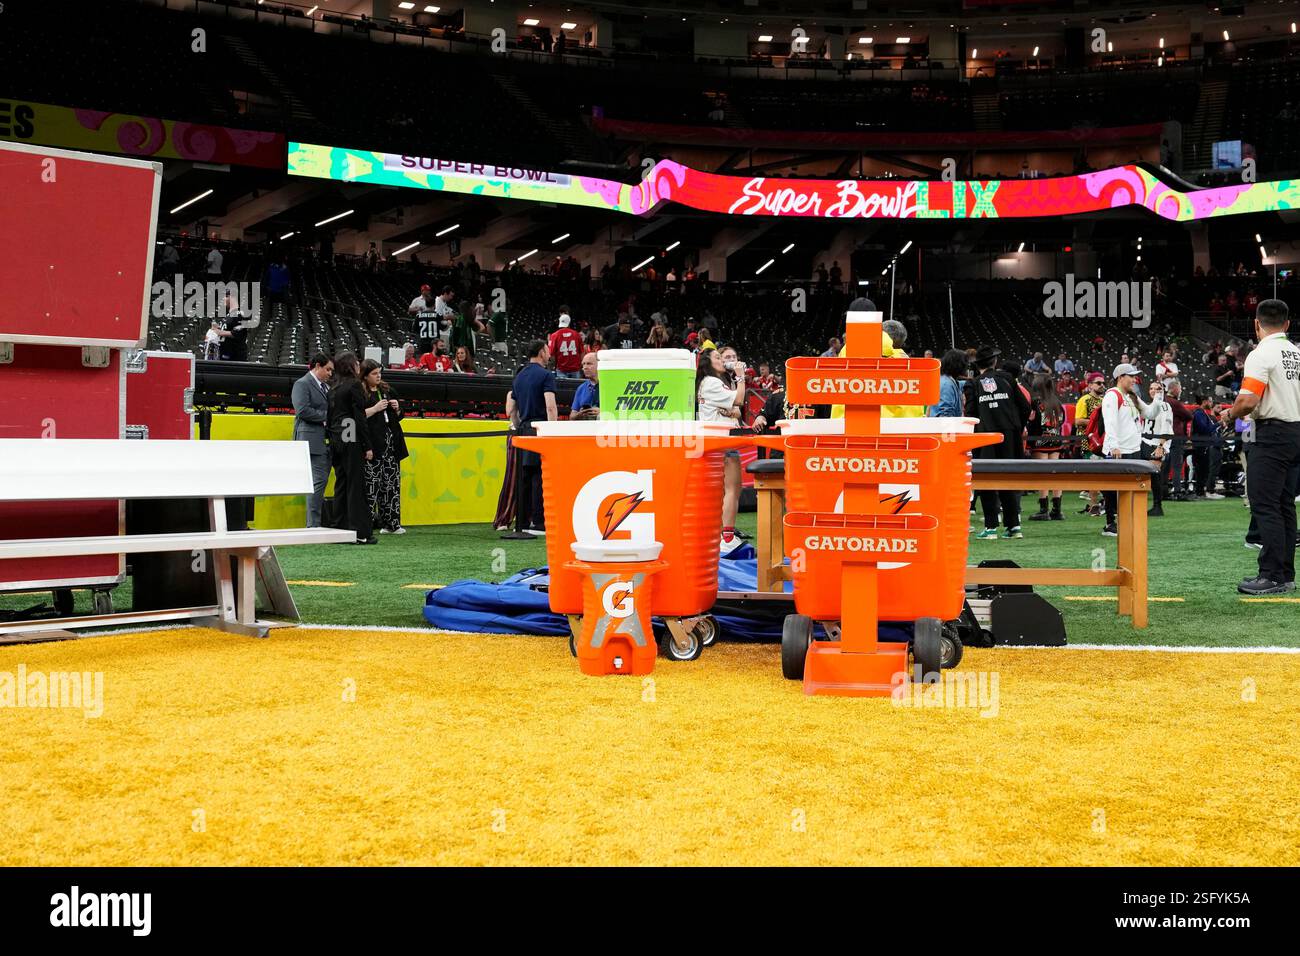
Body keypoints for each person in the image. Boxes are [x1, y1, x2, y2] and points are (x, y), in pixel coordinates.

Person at [1229, 300, 1300, 594]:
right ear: (1287, 324)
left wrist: (1229, 414)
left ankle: (1270, 574)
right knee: (1284, 503)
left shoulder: (1261, 354)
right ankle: (1284, 574)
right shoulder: (1296, 353)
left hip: (1271, 434)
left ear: (1257, 324)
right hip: (1296, 431)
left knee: (1265, 504)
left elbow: (1247, 401)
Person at [967, 345, 1029, 539]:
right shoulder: (1008, 379)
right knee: (1007, 479)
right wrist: (1017, 427)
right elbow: (1026, 407)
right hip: (1009, 436)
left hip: (985, 436)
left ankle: (991, 527)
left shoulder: (973, 384)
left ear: (977, 366)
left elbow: (970, 414)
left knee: (986, 479)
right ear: (994, 362)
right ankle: (1014, 527)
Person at [502, 341, 558, 540]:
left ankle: (523, 521)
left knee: (524, 477)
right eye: (547, 350)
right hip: (541, 428)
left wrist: (518, 426)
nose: (549, 354)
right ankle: (539, 521)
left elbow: (512, 411)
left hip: (524, 429)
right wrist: (553, 430)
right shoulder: (545, 375)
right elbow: (550, 407)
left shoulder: (519, 376)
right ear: (542, 352)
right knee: (539, 477)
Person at [697, 347, 745, 555]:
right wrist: (741, 378)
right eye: (718, 357)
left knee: (723, 490)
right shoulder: (713, 382)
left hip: (715, 440)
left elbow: (735, 410)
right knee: (732, 489)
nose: (722, 360)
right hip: (722, 441)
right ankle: (727, 536)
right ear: (708, 363)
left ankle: (720, 534)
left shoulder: (713, 383)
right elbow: (739, 401)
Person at [1100, 363, 1155, 537]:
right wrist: (1113, 445)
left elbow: (1149, 414)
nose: (1134, 379)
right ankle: (1111, 523)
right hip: (1118, 449)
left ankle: (1125, 520)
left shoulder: (1131, 396)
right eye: (1131, 376)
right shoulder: (1112, 395)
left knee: (1128, 487)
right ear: (1120, 377)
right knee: (1112, 487)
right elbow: (1110, 422)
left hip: (1133, 448)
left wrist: (1160, 398)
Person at [326, 351, 375, 545]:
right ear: (350, 365)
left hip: (337, 438)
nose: (358, 365)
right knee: (356, 486)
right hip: (351, 437)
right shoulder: (354, 385)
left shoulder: (333, 387)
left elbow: (330, 417)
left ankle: (340, 527)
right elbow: (359, 417)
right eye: (356, 362)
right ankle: (359, 531)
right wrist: (367, 445)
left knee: (341, 484)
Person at [360, 359, 409, 535]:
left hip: (391, 443)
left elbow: (400, 416)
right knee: (371, 485)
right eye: (374, 373)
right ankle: (365, 524)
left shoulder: (387, 390)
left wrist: (397, 409)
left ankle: (392, 523)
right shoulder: (361, 392)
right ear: (365, 376)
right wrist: (375, 408)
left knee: (392, 484)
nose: (378, 376)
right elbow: (357, 416)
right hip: (373, 444)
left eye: (379, 372)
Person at [292, 353, 334, 528]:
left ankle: (314, 523)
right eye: (328, 369)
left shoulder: (325, 387)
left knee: (319, 481)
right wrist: (327, 418)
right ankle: (313, 524)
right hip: (310, 439)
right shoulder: (302, 384)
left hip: (321, 439)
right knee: (318, 481)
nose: (330, 373)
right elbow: (302, 410)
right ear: (317, 366)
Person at [1026, 373, 1067, 521]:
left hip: (1040, 440)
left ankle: (1044, 510)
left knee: (1042, 474)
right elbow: (1061, 422)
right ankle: (1057, 510)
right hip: (1055, 440)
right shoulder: (1057, 402)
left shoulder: (1036, 402)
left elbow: (1033, 422)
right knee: (1054, 473)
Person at [1074, 372, 1107, 515]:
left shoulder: (1105, 400)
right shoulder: (1084, 400)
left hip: (1103, 440)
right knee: (1095, 473)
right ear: (1090, 385)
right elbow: (1078, 421)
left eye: (1103, 383)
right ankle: (1094, 506)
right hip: (1089, 442)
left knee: (1102, 473)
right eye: (1098, 383)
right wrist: (1098, 423)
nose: (1102, 386)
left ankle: (1098, 504)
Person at [1140, 380, 1174, 517]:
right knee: (1142, 475)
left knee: (1155, 477)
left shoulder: (1165, 406)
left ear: (1163, 391)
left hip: (1156, 444)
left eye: (1158, 389)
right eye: (1151, 388)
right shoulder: (1149, 406)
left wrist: (1161, 446)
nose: (1154, 391)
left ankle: (1157, 506)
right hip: (1144, 442)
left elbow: (1166, 426)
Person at [1190, 395, 1225, 500]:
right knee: (1202, 469)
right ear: (1204, 402)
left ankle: (1201, 491)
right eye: (1210, 402)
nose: (1211, 404)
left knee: (1204, 469)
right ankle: (1200, 492)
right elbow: (1205, 429)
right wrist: (1218, 424)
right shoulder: (1199, 413)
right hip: (1201, 445)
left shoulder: (1203, 413)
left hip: (1204, 444)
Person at [930, 349, 968, 418]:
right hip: (944, 426)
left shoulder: (948, 380)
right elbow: (945, 415)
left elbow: (962, 384)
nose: (966, 367)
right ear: (958, 365)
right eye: (964, 364)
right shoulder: (947, 384)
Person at [548, 309, 583, 378]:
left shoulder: (554, 335)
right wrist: (581, 365)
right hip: (575, 369)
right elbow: (582, 352)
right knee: (576, 388)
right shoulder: (576, 334)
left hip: (561, 369)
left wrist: (554, 366)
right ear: (569, 323)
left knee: (563, 388)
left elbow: (552, 354)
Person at [570, 351, 600, 421]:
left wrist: (602, 412)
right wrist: (580, 414)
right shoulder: (581, 388)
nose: (585, 367)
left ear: (599, 365)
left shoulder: (608, 385)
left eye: (589, 364)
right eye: (583, 364)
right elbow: (572, 416)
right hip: (585, 428)